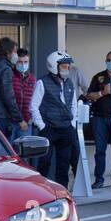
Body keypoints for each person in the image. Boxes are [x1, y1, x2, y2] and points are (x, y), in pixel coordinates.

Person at [30, 51, 80, 188]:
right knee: (44, 162)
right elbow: (34, 106)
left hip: (66, 129)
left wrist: (72, 124)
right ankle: (41, 191)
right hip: (49, 129)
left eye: (68, 66)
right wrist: (42, 126)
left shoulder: (69, 83)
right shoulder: (42, 82)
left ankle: (62, 191)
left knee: (64, 163)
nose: (67, 69)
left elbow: (74, 105)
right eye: (64, 66)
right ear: (54, 66)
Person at [83, 50, 111, 190]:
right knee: (100, 150)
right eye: (109, 60)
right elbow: (89, 95)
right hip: (99, 118)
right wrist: (103, 92)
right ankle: (99, 180)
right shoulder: (98, 77)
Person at [10, 48, 36, 143]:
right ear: (15, 62)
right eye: (20, 62)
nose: (23, 64)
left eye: (25, 62)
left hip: (26, 124)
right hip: (11, 122)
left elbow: (34, 101)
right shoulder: (9, 76)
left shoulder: (32, 79)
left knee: (24, 153)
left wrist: (30, 119)